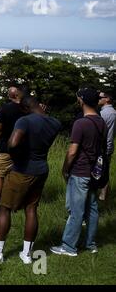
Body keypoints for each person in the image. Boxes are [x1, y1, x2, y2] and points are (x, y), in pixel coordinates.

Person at [0, 97, 61, 264]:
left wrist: (14, 155)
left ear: (25, 108)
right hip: (42, 168)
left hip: (22, 169)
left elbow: (13, 143)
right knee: (31, 209)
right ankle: (27, 254)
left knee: (4, 208)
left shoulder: (24, 121)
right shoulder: (54, 123)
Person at [51, 88, 106, 257]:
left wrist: (65, 169)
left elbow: (72, 151)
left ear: (81, 100)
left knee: (76, 211)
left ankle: (69, 246)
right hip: (94, 171)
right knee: (92, 208)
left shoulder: (81, 123)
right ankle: (90, 243)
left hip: (80, 170)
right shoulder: (101, 121)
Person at [0, 84, 26, 212]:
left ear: (10, 95)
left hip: (5, 147)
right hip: (23, 148)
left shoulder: (6, 109)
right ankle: (16, 202)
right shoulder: (27, 109)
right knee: (16, 176)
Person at [98, 90, 115, 201]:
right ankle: (103, 198)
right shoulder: (111, 112)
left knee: (101, 173)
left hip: (103, 148)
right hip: (106, 148)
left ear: (107, 99)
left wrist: (107, 150)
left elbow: (108, 134)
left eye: (100, 97)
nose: (98, 98)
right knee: (103, 172)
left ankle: (102, 198)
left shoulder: (106, 113)